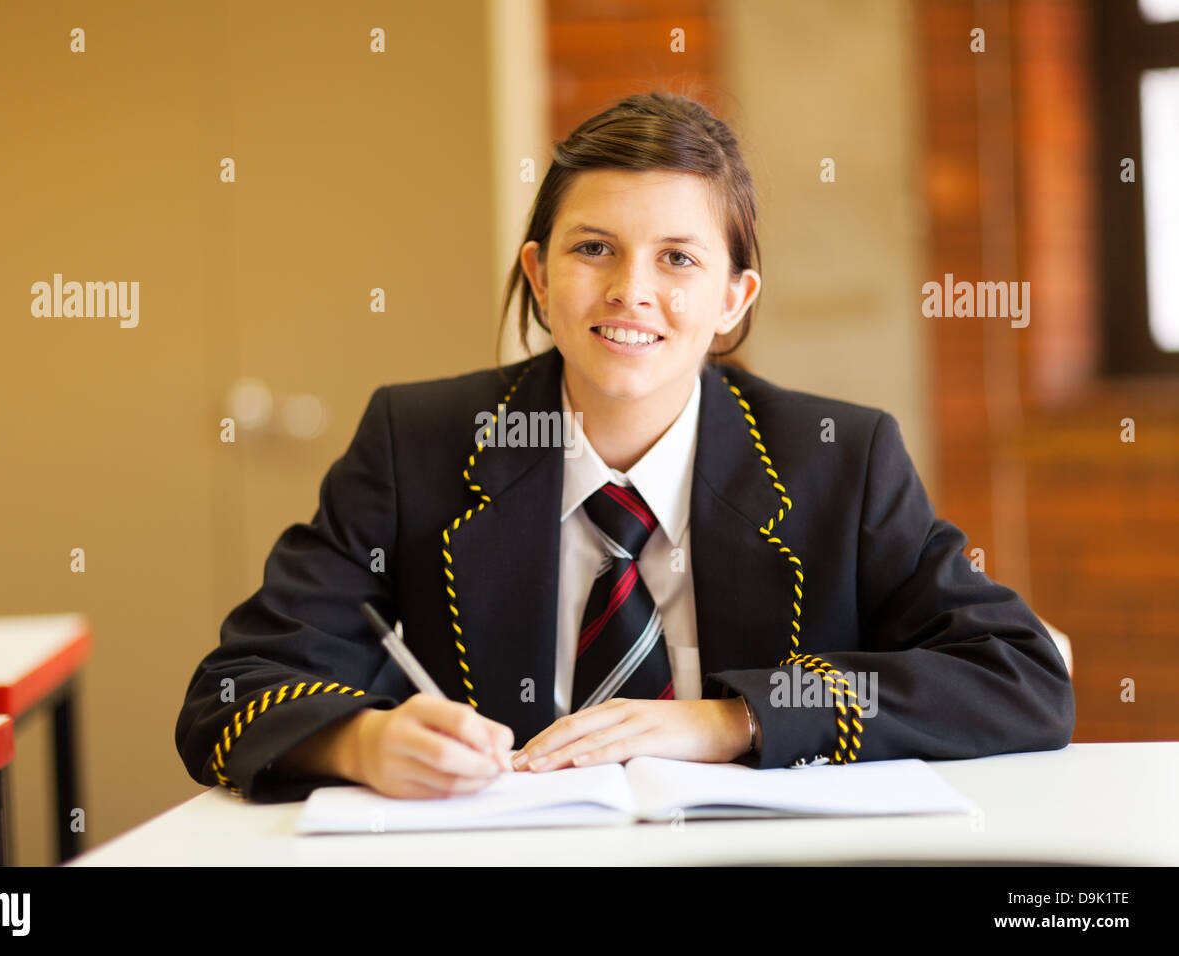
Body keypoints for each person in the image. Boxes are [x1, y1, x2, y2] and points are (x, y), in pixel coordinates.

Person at [174, 92, 1075, 803]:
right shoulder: (418, 444)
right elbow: (228, 693)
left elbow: (1019, 678)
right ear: (539, 276)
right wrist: (361, 741)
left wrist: (731, 721)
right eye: (593, 249)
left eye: (678, 259)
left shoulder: (840, 456)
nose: (629, 291)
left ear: (733, 297)